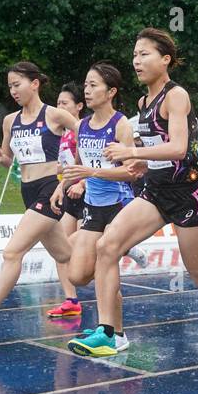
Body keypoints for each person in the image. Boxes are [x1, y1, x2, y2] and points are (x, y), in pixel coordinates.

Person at [69, 29, 198, 356]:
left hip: (187, 193)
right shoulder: (143, 102)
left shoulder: (175, 95)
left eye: (144, 54)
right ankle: (111, 334)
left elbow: (179, 147)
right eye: (135, 55)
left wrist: (132, 154)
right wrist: (141, 164)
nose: (136, 61)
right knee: (107, 245)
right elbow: (156, 146)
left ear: (165, 59)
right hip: (155, 191)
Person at [0, 62, 81, 331]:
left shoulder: (56, 115)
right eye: (9, 86)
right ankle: (109, 255)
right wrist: (1, 159)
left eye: (17, 84)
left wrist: (78, 172)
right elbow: (10, 160)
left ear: (35, 84)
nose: (12, 90)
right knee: (65, 255)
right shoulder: (10, 121)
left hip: (51, 189)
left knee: (12, 252)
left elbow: (91, 138)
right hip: (28, 189)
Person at [57, 63, 144, 353]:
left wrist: (93, 174)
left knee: (106, 264)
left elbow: (132, 172)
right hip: (93, 206)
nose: (88, 90)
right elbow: (83, 166)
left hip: (119, 205)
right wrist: (74, 182)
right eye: (86, 84)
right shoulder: (81, 126)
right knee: (78, 274)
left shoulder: (121, 125)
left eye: (94, 85)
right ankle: (113, 331)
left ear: (112, 91)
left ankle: (111, 332)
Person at [46, 83, 89, 317]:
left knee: (86, 251)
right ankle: (71, 300)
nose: (59, 107)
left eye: (64, 103)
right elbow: (65, 165)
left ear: (78, 106)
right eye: (58, 103)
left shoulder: (85, 129)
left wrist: (82, 183)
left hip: (86, 194)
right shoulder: (61, 133)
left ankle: (124, 250)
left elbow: (92, 163)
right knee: (61, 250)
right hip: (67, 192)